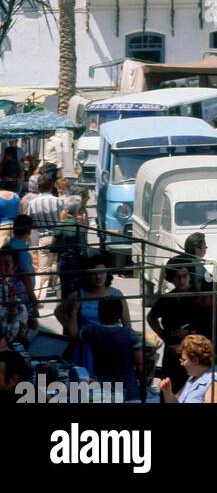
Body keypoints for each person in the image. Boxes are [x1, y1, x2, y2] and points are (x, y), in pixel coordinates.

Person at [67, 294, 144, 402]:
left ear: (99, 313)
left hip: (102, 388)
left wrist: (75, 311)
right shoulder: (130, 335)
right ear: (120, 313)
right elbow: (140, 364)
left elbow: (73, 334)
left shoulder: (92, 332)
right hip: (128, 389)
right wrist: (143, 385)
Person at [147, 258, 202, 394]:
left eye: (185, 276)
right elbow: (151, 317)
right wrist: (164, 335)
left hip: (193, 351)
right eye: (177, 276)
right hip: (171, 352)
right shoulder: (167, 299)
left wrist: (189, 333)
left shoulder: (197, 297)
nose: (181, 280)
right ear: (171, 278)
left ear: (190, 276)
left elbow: (205, 322)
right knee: (169, 389)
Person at [19, 171, 62, 302]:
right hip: (59, 237)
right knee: (58, 265)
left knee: (43, 268)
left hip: (43, 237)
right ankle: (60, 292)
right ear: (52, 186)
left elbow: (30, 222)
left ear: (38, 187)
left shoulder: (33, 203)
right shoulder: (59, 202)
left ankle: (39, 296)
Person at [159, 333, 217, 404]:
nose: (181, 363)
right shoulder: (192, 379)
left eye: (184, 360)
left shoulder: (214, 384)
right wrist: (167, 392)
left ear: (195, 360)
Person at [0, 245, 33, 347]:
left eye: (6, 264)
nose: (1, 268)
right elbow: (8, 335)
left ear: (14, 267)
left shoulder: (10, 287)